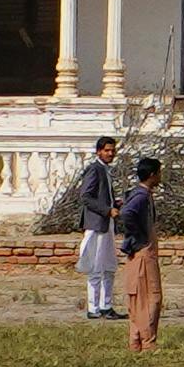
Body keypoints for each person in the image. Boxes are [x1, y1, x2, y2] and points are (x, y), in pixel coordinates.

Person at [67, 137, 121, 321]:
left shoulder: (105, 170)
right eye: (107, 150)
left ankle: (106, 306)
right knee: (95, 268)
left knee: (109, 266)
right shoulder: (94, 169)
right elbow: (86, 197)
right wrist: (107, 210)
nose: (110, 153)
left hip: (106, 224)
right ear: (99, 151)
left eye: (112, 150)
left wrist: (115, 203)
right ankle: (93, 308)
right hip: (97, 224)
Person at [115, 150, 164, 351]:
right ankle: (147, 341)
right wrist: (138, 238)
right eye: (159, 173)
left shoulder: (141, 195)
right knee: (151, 297)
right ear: (152, 174)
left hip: (142, 249)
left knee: (138, 298)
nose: (160, 177)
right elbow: (127, 213)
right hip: (144, 251)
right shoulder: (141, 196)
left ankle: (136, 341)